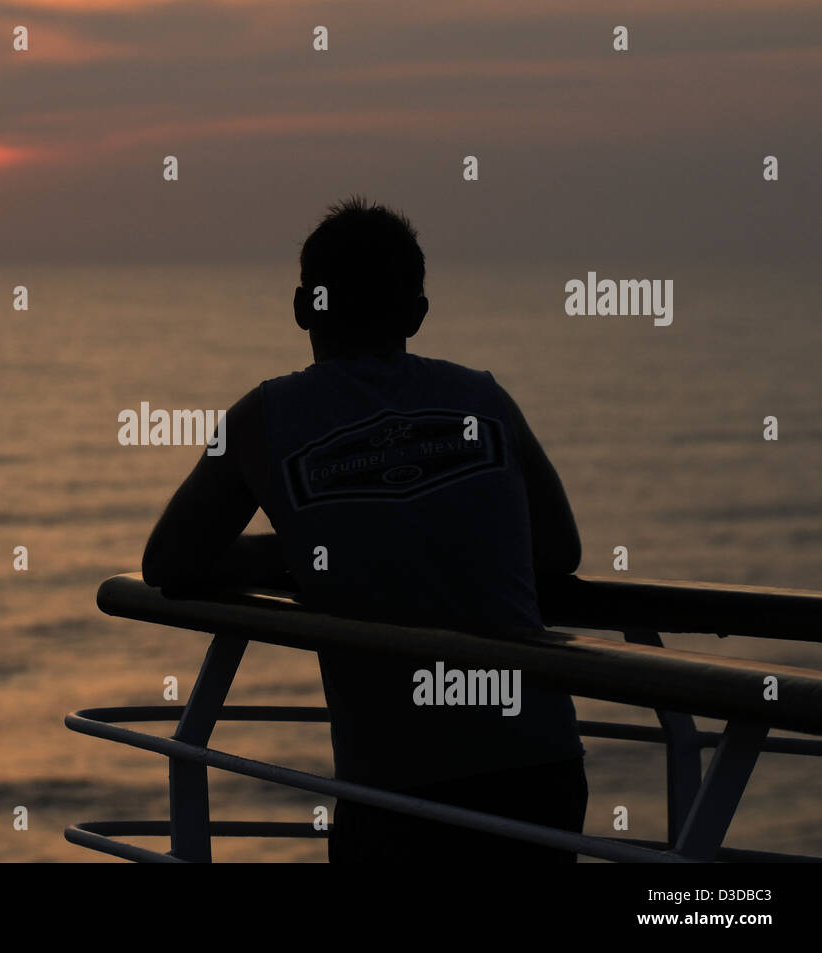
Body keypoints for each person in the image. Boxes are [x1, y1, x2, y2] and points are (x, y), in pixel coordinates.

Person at [141, 196, 588, 863]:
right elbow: (559, 552)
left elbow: (169, 563)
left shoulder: (264, 418)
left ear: (302, 307)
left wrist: (304, 553)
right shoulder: (482, 399)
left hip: (398, 787)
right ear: (418, 313)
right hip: (539, 766)